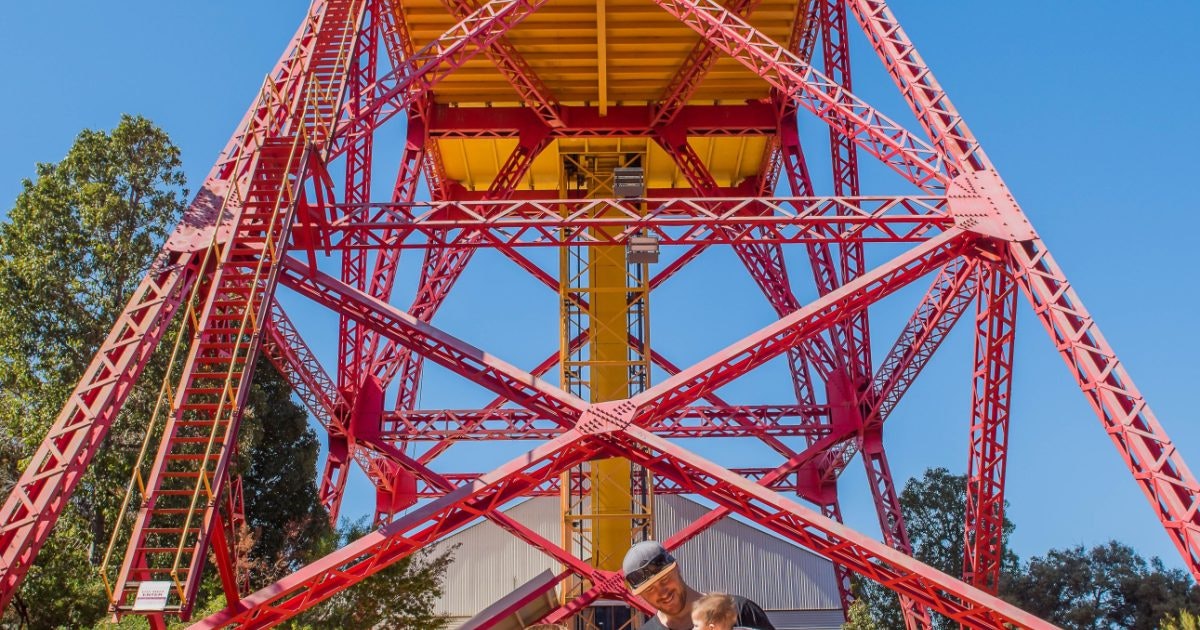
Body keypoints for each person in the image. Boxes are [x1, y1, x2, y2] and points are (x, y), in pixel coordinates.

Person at [622, 540, 776, 630]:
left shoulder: (737, 610)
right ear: (640, 595)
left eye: (665, 580)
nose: (662, 592)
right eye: (650, 589)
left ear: (677, 568)